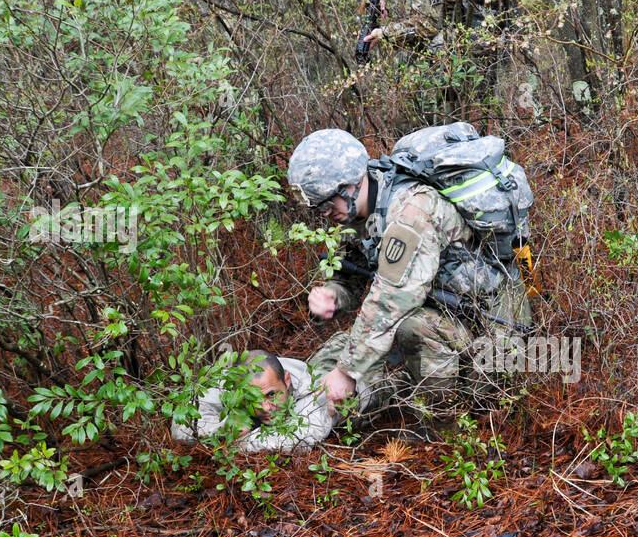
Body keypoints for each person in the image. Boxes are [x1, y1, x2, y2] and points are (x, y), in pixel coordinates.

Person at [286, 127, 530, 441]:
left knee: (409, 331)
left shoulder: (411, 211)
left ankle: (442, 431)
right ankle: (394, 388)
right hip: (439, 318)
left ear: (348, 184)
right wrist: (333, 294)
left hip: (493, 334)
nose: (324, 213)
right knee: (332, 363)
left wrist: (347, 373)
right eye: (317, 208)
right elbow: (352, 274)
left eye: (325, 204)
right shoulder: (359, 209)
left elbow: (391, 299)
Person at [170, 351, 332, 452]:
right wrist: (223, 429)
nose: (265, 408)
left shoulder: (316, 390)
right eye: (252, 399)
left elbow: (300, 439)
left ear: (287, 380)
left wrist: (236, 441)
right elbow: (183, 422)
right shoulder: (233, 380)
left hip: (344, 375)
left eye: (271, 395)